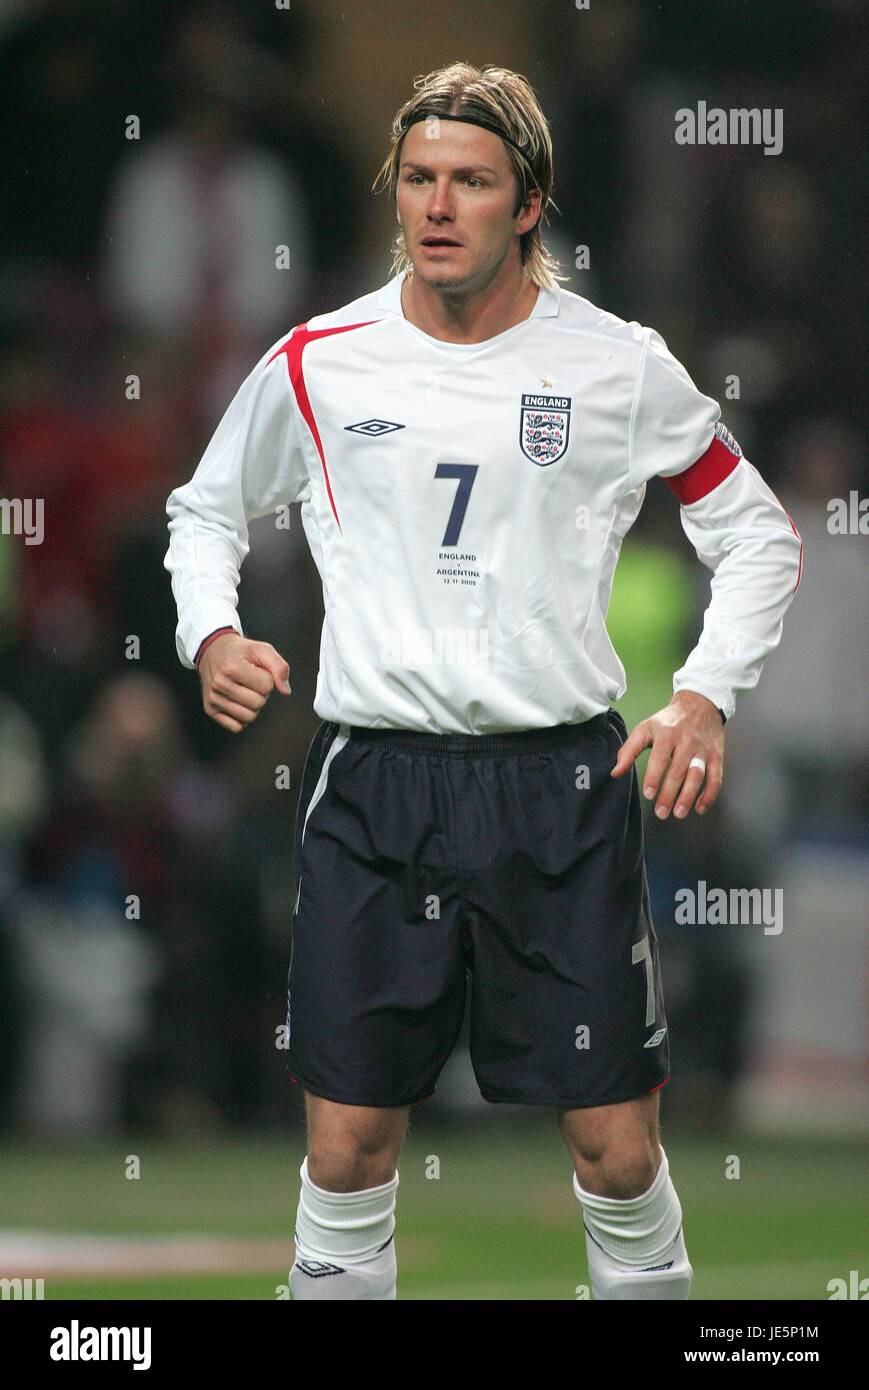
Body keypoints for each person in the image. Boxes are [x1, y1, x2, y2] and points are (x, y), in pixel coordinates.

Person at [163, 62, 802, 1301]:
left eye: (470, 181)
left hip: (556, 786)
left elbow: (756, 531)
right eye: (417, 179)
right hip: (374, 787)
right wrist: (208, 633)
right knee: (346, 1150)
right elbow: (204, 509)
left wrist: (703, 689)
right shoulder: (320, 359)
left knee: (615, 1155)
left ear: (527, 205)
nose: (437, 205)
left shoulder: (614, 365)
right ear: (392, 193)